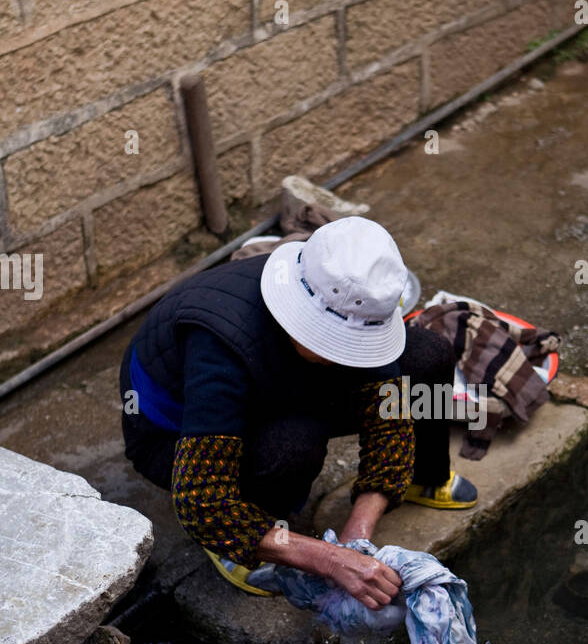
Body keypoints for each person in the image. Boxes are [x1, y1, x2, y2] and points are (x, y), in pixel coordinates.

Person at [119, 216, 477, 608]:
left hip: (281, 385)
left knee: (430, 355)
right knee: (292, 444)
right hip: (171, 436)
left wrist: (357, 535)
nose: (348, 354)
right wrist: (330, 559)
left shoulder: (354, 298)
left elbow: (386, 412)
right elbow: (202, 499)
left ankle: (416, 477)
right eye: (334, 342)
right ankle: (241, 539)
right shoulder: (218, 340)